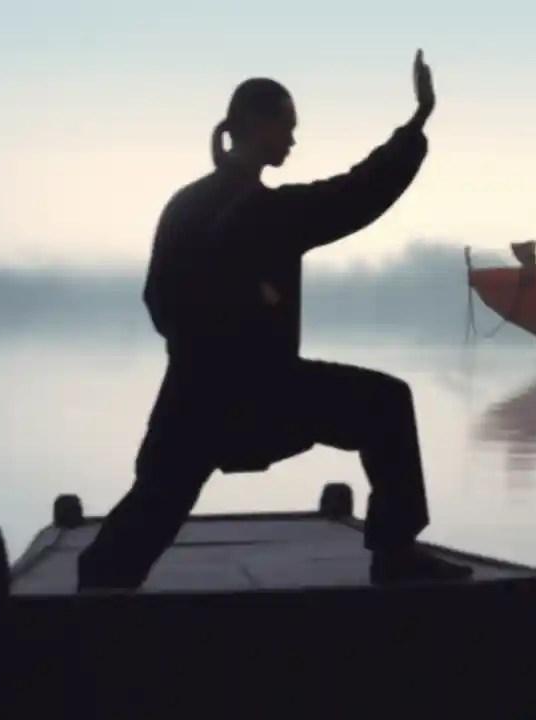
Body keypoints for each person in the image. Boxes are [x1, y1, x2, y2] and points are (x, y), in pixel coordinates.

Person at [77, 50, 473, 590]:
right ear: (257, 126)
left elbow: (160, 302)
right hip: (257, 392)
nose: (292, 140)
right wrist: (418, 121)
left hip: (193, 397)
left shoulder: (188, 204)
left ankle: (96, 586)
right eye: (286, 127)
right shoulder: (266, 210)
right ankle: (394, 556)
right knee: (385, 405)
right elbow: (357, 193)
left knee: (149, 512)